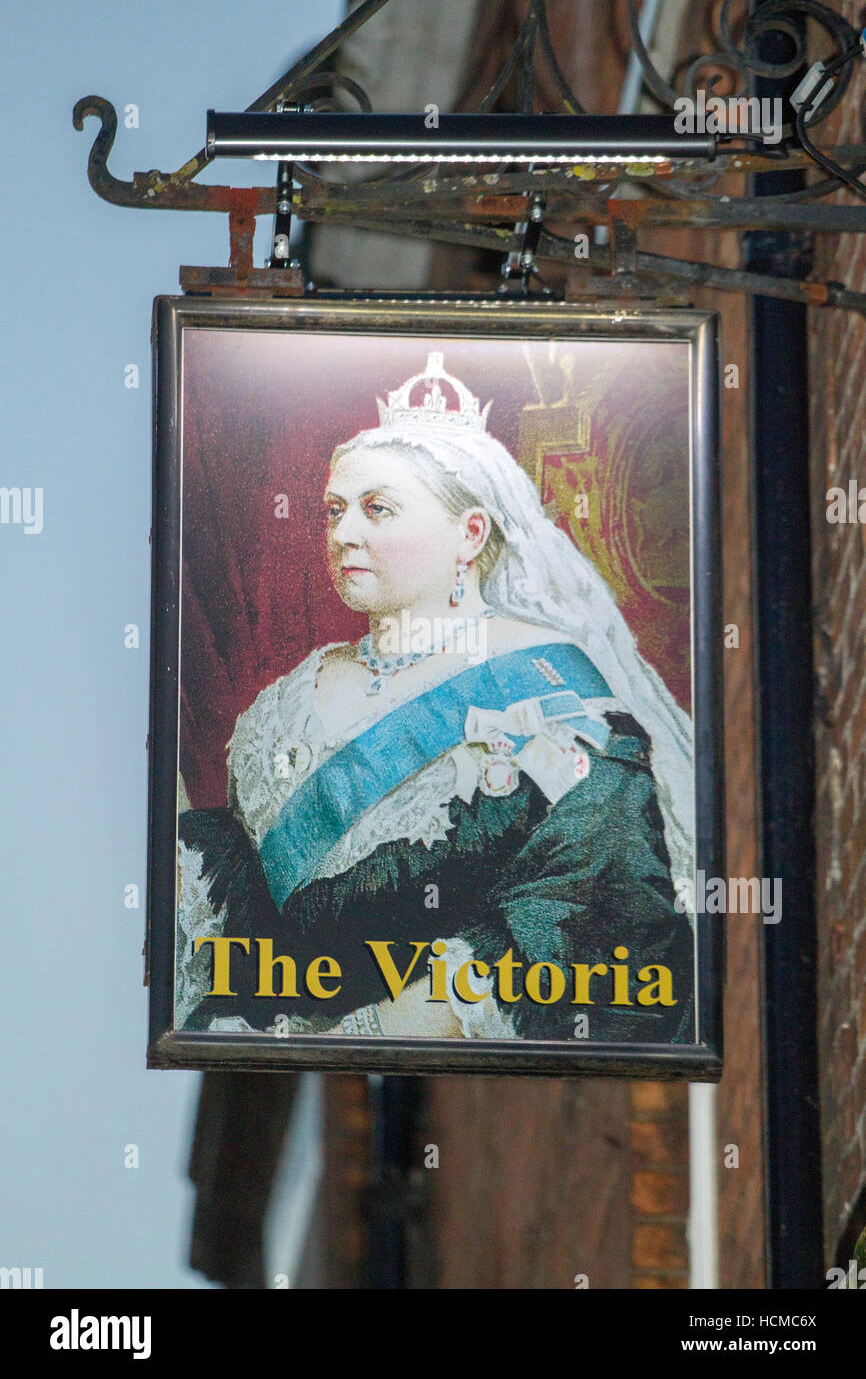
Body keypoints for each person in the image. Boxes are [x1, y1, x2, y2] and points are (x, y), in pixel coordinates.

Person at [176, 352, 695, 1043]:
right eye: (335, 510)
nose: (342, 534)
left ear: (469, 534)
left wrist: (366, 1032)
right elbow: (245, 892)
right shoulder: (287, 698)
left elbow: (588, 912)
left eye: (378, 509)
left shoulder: (549, 688)